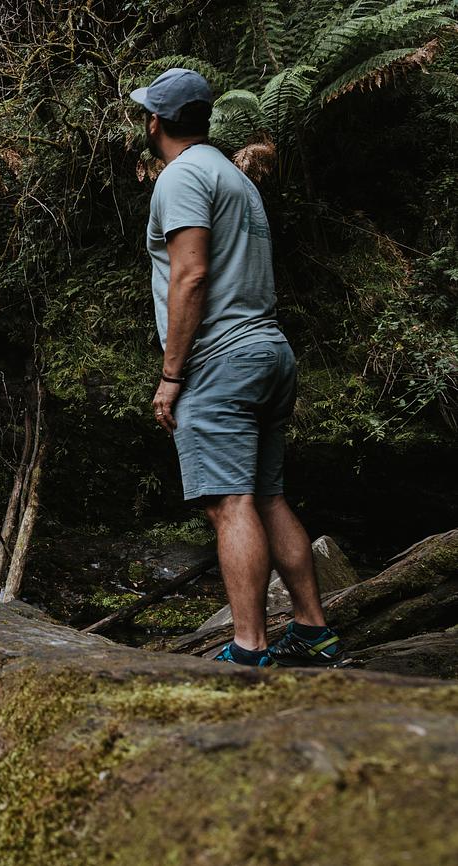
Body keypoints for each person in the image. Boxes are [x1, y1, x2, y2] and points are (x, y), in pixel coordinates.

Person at [133, 68, 344, 667]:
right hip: (269, 353)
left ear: (156, 122)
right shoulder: (235, 177)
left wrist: (171, 376)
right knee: (268, 496)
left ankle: (249, 649)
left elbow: (191, 275)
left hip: (220, 362)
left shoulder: (181, 177)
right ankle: (313, 631)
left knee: (230, 503)